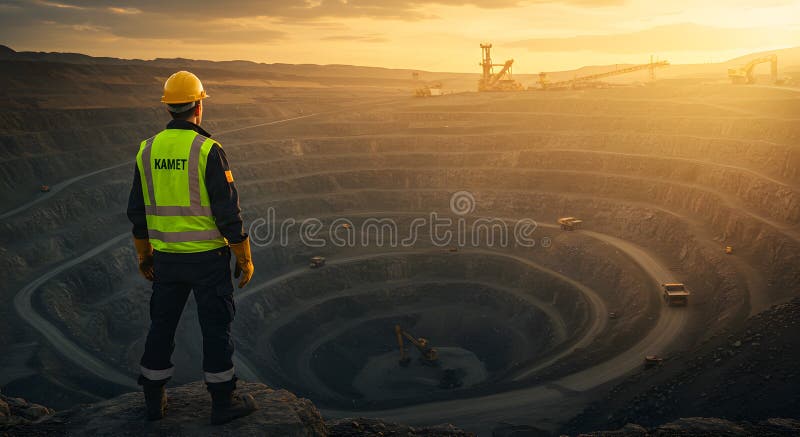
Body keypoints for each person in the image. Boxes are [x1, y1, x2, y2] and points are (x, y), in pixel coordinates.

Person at [127, 70, 258, 425]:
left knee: (161, 326)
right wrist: (243, 258)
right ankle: (221, 403)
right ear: (198, 106)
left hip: (166, 259)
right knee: (216, 328)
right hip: (208, 261)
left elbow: (136, 211)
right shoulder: (207, 150)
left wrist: (144, 255)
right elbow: (228, 211)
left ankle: (154, 401)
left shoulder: (147, 150)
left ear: (168, 108)